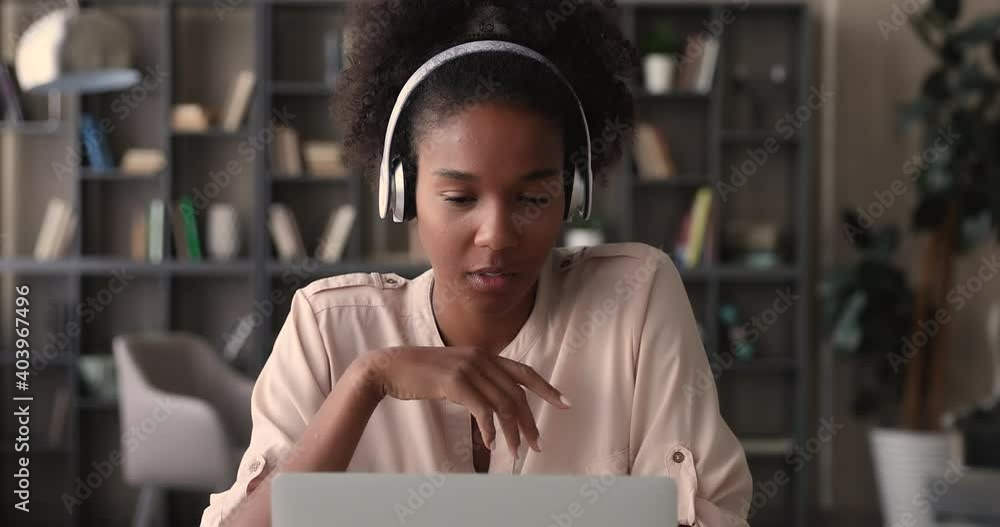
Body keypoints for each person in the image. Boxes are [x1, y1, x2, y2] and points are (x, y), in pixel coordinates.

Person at [200, 1, 751, 526]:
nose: (497, 236)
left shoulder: (636, 297)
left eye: (533, 199)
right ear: (402, 193)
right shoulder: (326, 327)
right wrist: (369, 379)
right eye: (460, 199)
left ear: (573, 193)